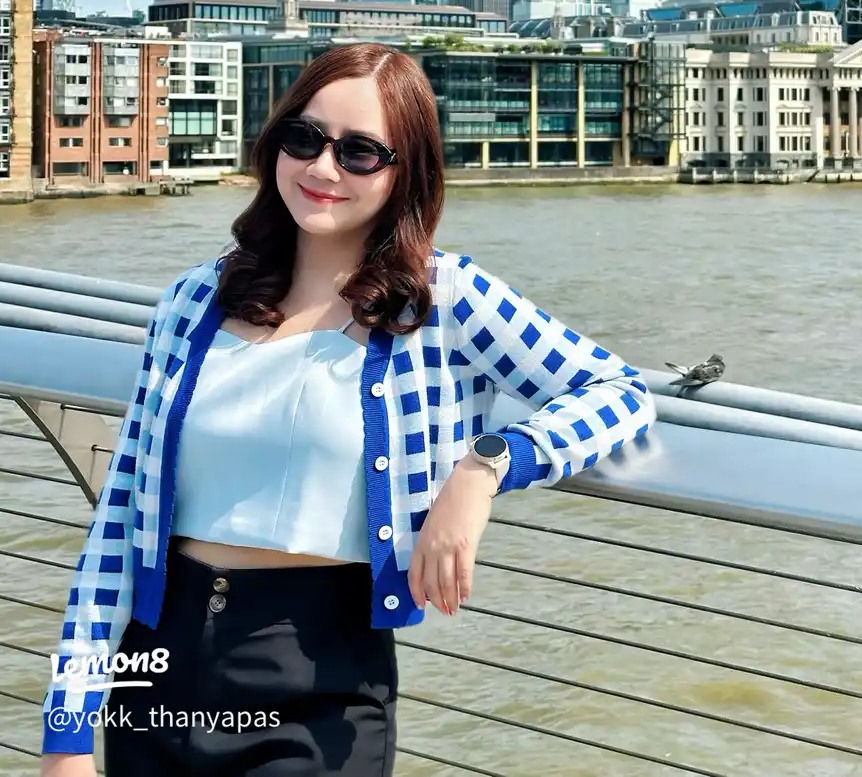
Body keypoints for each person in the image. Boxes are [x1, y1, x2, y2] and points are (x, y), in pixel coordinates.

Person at [41, 43, 657, 777]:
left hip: (320, 684)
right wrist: (66, 729)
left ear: (405, 171)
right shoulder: (192, 301)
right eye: (305, 138)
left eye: (360, 151)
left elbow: (621, 393)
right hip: (158, 666)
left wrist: (483, 467)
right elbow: (115, 525)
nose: (323, 168)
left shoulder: (444, 299)